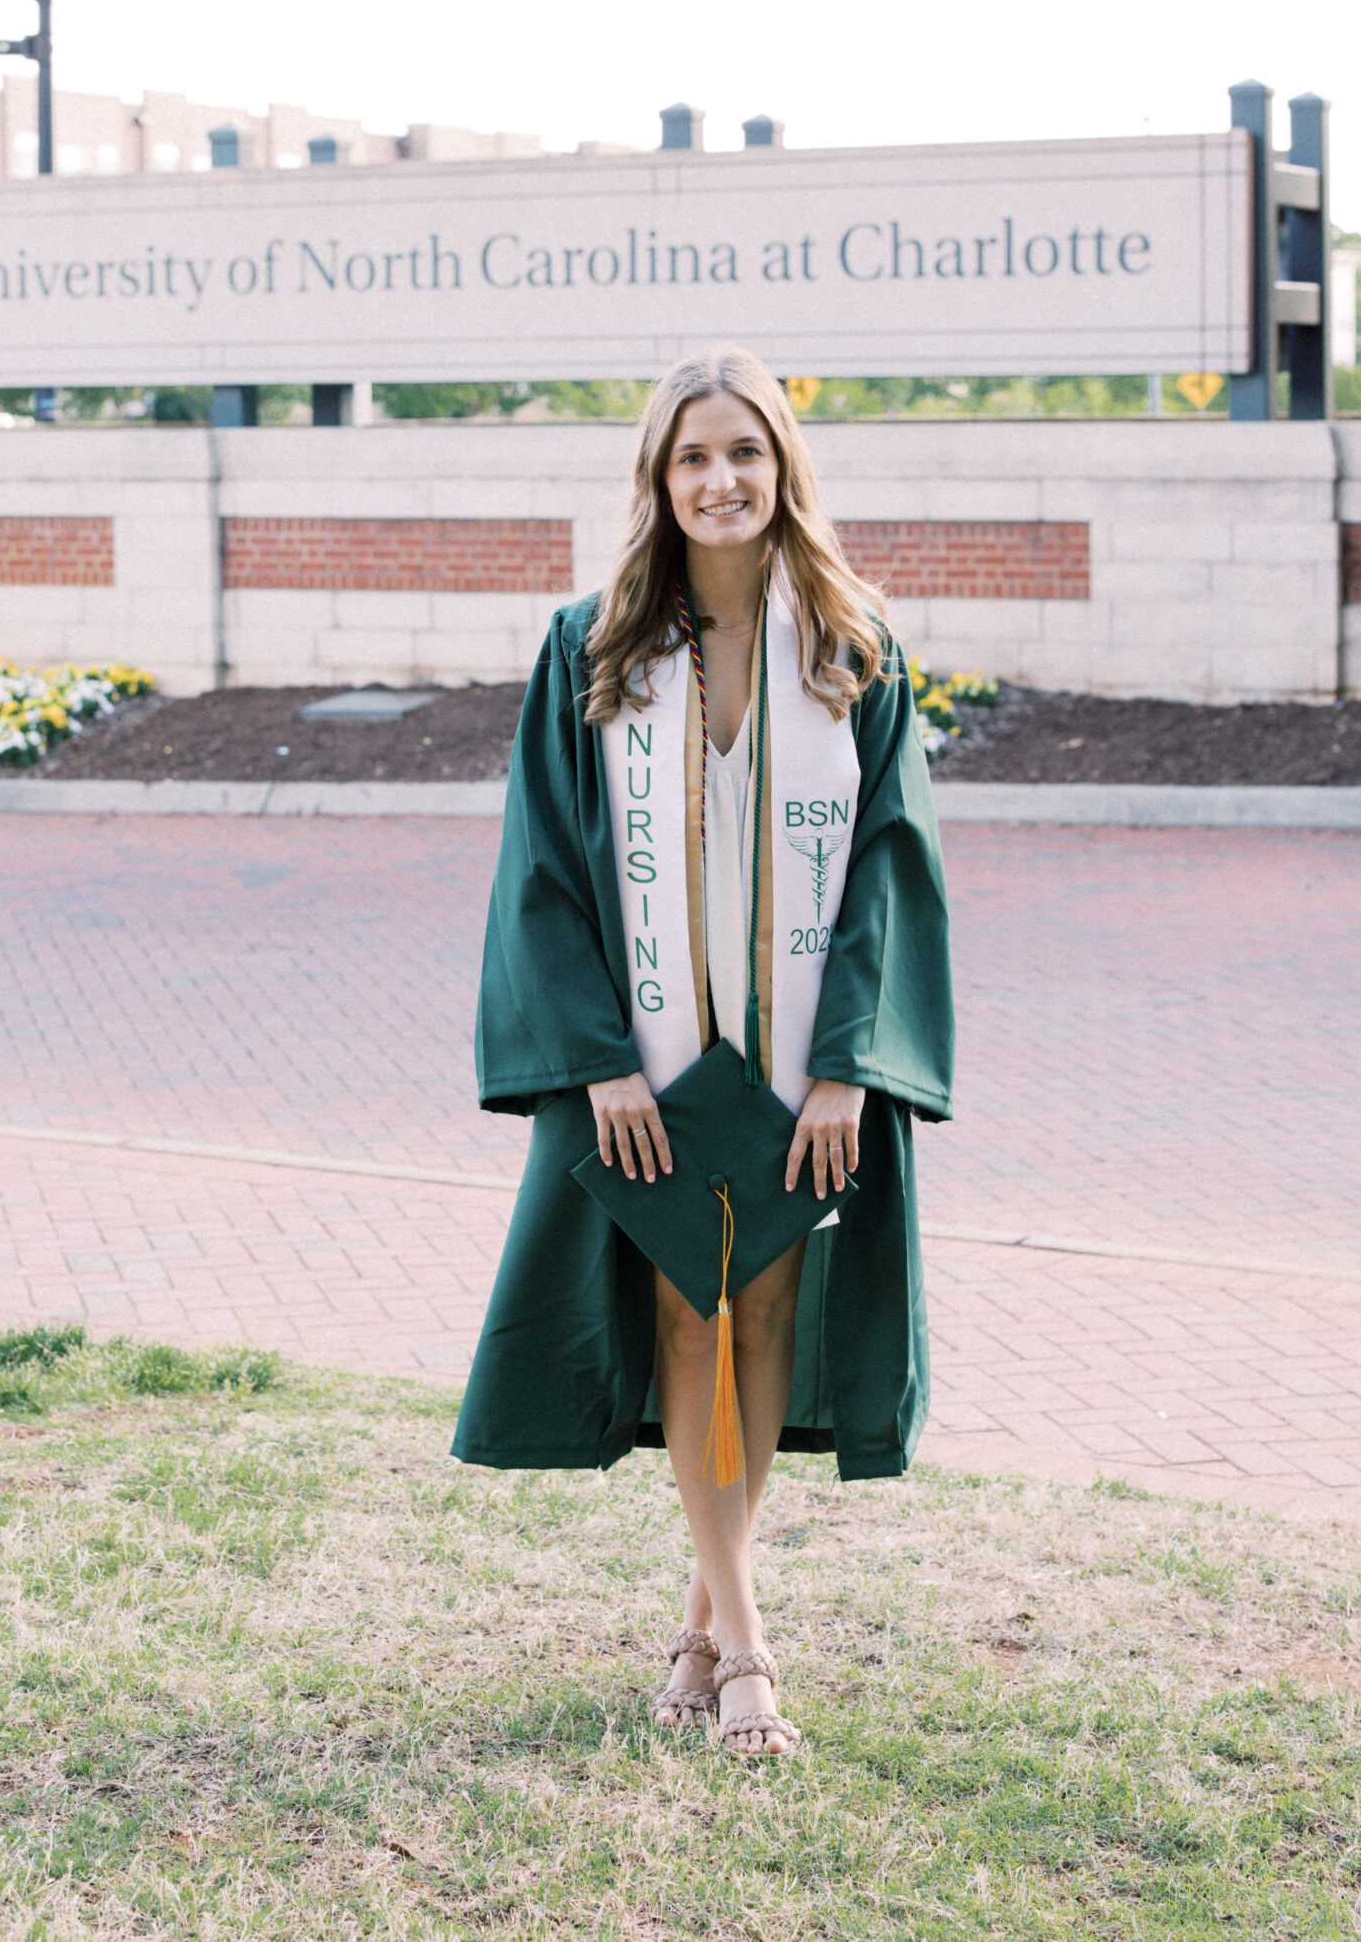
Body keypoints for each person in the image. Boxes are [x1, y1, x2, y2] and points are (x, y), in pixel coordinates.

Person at [452, 347, 954, 1758]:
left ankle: (702, 1622)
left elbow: (890, 869)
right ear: (658, 482)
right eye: (692, 458)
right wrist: (599, 1055)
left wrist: (852, 1059)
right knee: (691, 1316)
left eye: (745, 451)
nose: (720, 480)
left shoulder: (852, 647)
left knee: (769, 1325)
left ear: (783, 466)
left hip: (799, 1062)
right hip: (657, 1063)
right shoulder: (594, 645)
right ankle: (746, 1653)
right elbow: (542, 864)